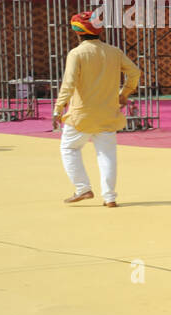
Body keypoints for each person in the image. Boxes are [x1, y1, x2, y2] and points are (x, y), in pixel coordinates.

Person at [53, 11, 140, 208]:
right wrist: (124, 94)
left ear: (78, 33)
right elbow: (135, 73)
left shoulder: (77, 53)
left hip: (81, 115)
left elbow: (68, 83)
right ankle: (109, 197)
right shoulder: (114, 52)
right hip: (108, 113)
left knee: (69, 148)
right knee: (107, 155)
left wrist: (58, 109)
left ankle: (82, 188)